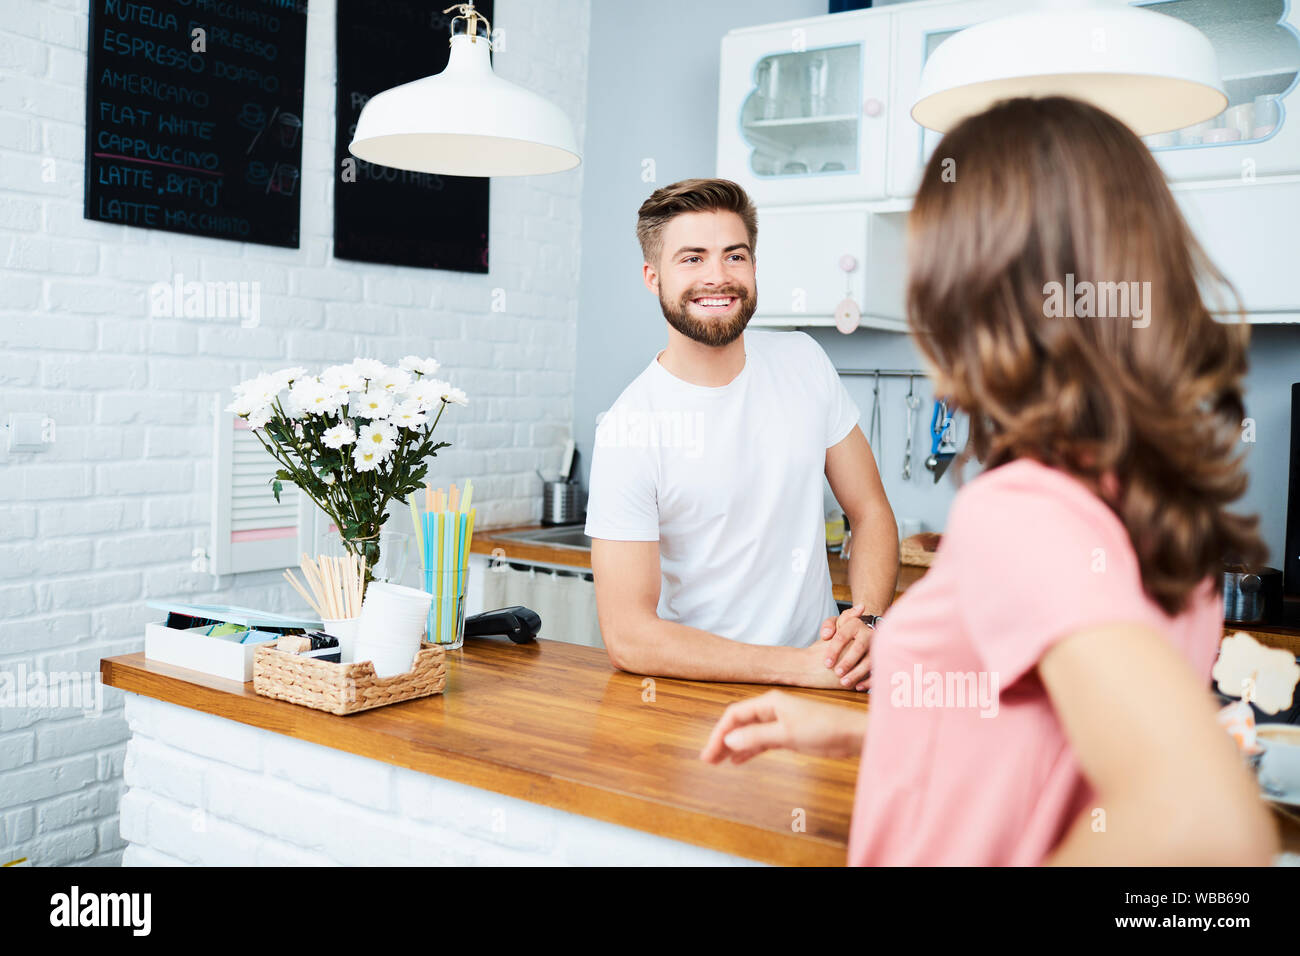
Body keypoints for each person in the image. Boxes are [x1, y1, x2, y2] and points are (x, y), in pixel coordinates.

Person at [700, 97, 1279, 865]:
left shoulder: (1022, 510)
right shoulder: (1153, 500)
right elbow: (1046, 742)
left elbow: (1202, 821)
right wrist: (870, 731)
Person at [585, 178, 898, 690]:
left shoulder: (804, 362)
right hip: (698, 705)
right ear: (652, 276)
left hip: (826, 689)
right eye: (692, 259)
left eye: (735, 255)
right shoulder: (630, 427)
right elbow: (629, 635)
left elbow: (871, 513)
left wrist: (865, 623)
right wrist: (801, 668)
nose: (718, 276)